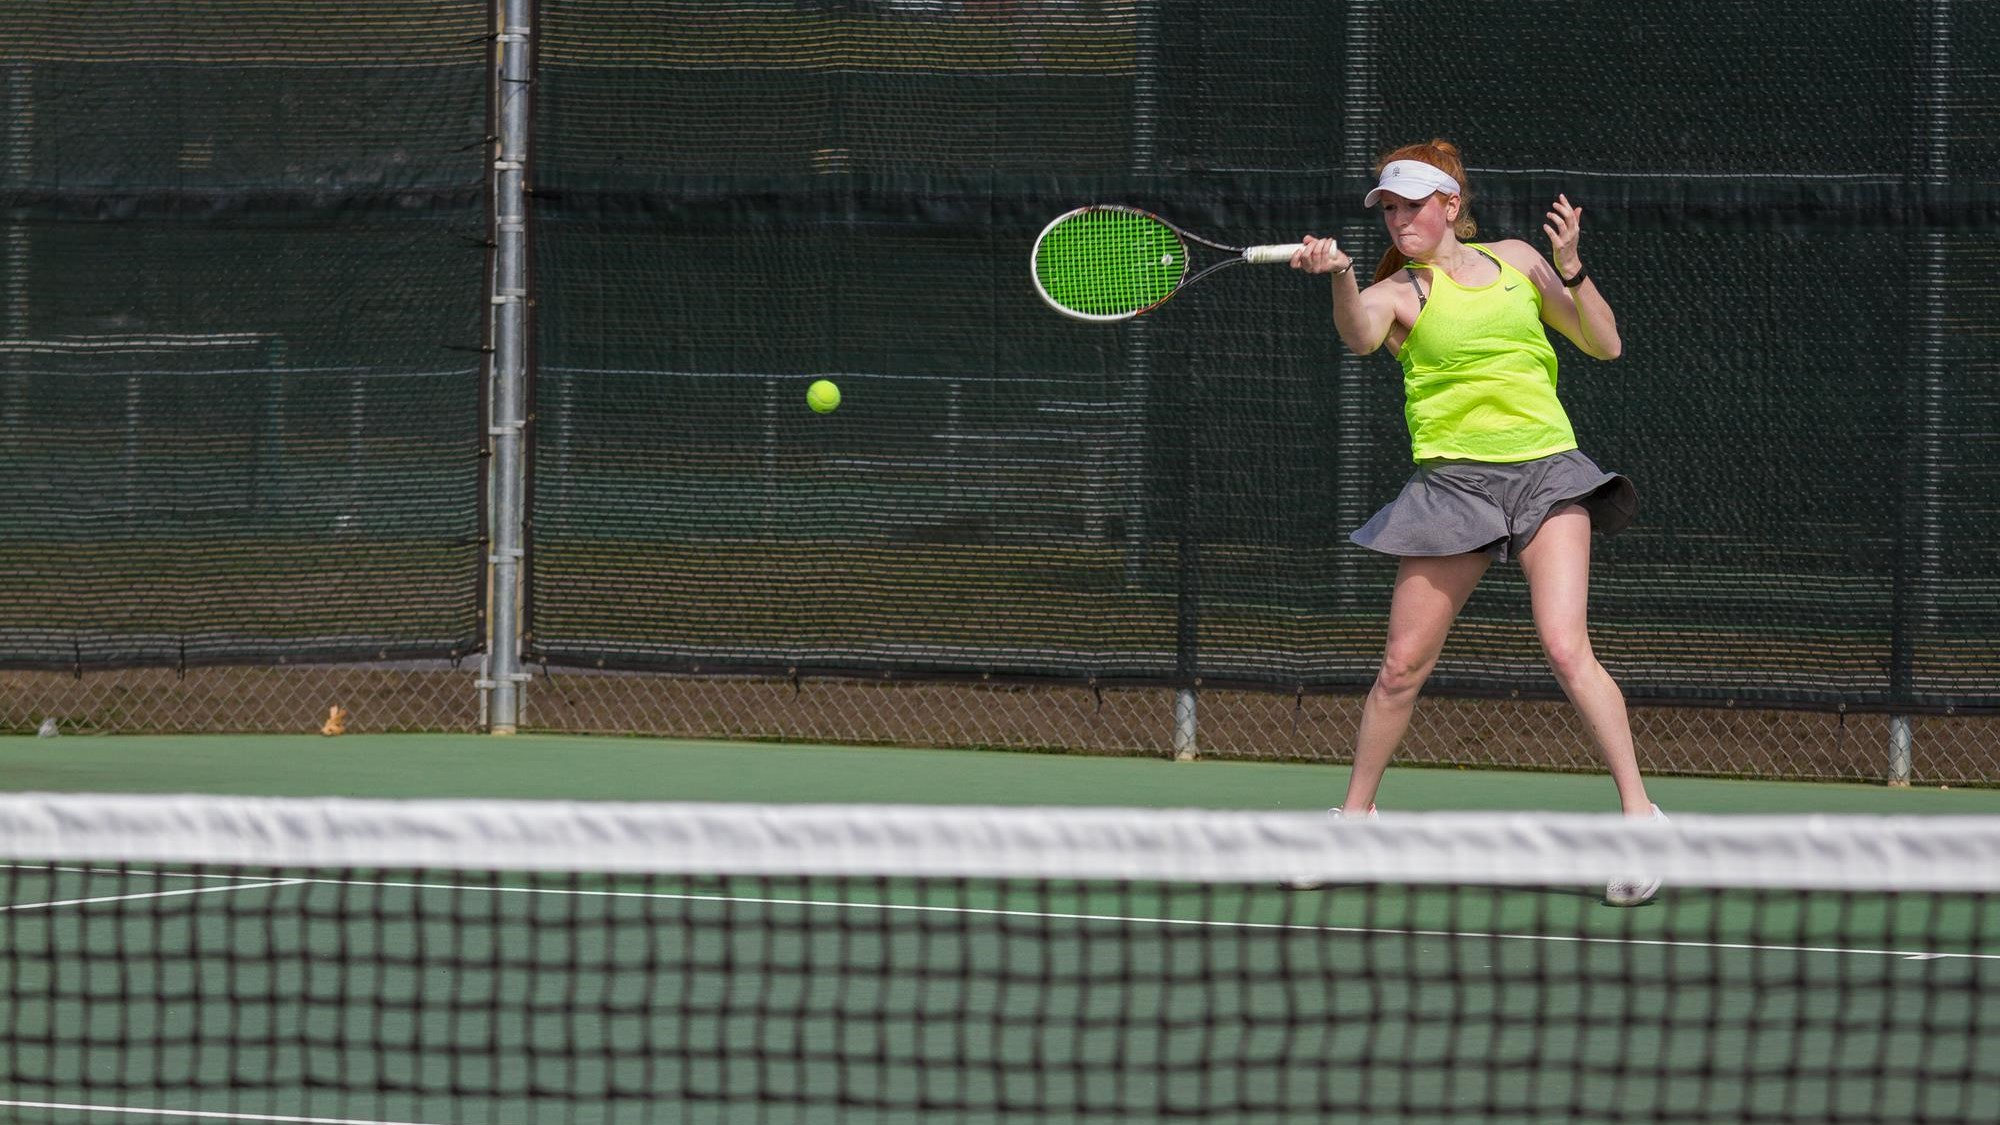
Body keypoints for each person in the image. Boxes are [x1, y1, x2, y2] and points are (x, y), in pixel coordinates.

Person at [1289, 139, 1662, 904]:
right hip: (1452, 488)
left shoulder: (1520, 260)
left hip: (1548, 473)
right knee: (1400, 668)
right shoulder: (1402, 292)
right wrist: (1342, 276)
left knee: (1565, 646)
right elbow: (1359, 333)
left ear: (1451, 205)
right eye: (1387, 208)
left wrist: (1571, 266)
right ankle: (1353, 823)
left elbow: (1606, 341)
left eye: (1411, 205)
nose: (1397, 220)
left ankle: (1642, 823)